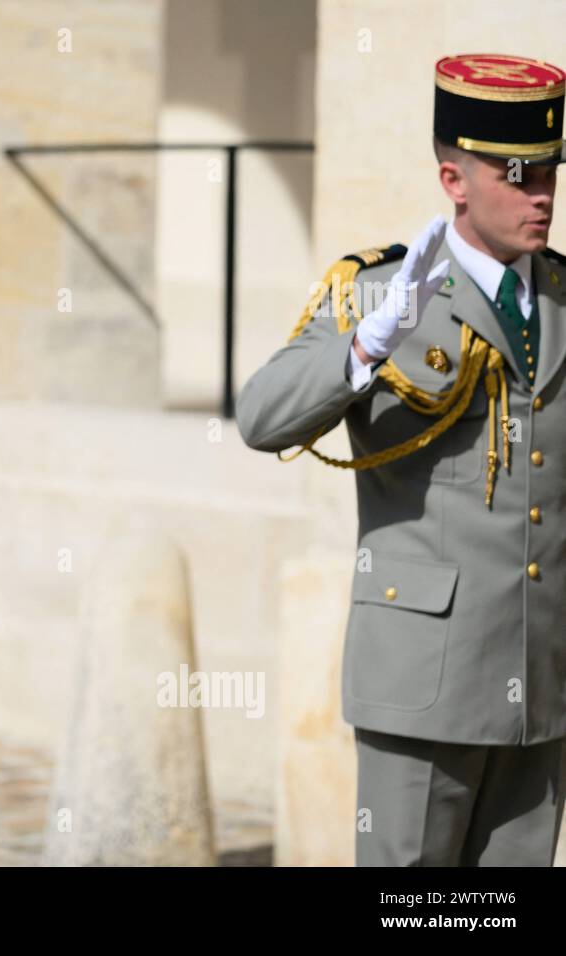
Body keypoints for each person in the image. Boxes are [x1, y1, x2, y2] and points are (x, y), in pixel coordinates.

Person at [237, 53, 566, 865]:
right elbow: (260, 416)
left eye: (551, 173)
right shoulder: (382, 293)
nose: (542, 196)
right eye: (517, 174)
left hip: (543, 678)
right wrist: (360, 350)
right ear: (454, 178)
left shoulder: (560, 296)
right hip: (426, 680)